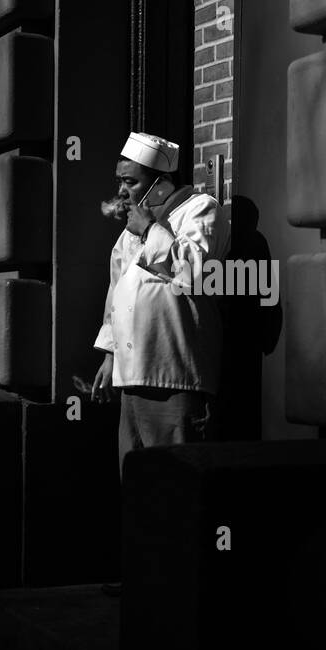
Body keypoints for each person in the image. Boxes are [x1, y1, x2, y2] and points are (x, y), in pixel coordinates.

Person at [91, 132, 230, 594]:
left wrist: (150, 228)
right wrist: (110, 355)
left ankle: (181, 586)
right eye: (120, 182)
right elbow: (117, 294)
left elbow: (196, 271)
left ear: (159, 182)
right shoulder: (129, 232)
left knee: (178, 488)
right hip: (133, 375)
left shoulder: (201, 210)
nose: (122, 191)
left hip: (177, 375)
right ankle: (143, 582)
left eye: (131, 182)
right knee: (137, 486)